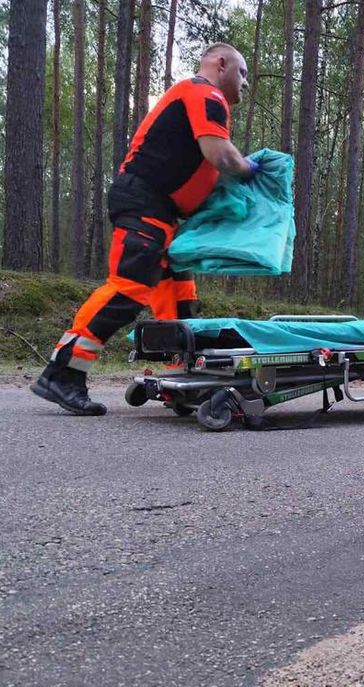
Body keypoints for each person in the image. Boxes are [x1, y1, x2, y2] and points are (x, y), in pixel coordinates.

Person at [31, 43, 257, 416]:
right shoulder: (206, 93)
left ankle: (182, 381)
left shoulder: (198, 97)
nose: (245, 84)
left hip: (163, 211)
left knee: (179, 295)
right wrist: (254, 170)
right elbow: (221, 155)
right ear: (220, 64)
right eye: (243, 72)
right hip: (145, 202)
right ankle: (63, 372)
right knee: (129, 288)